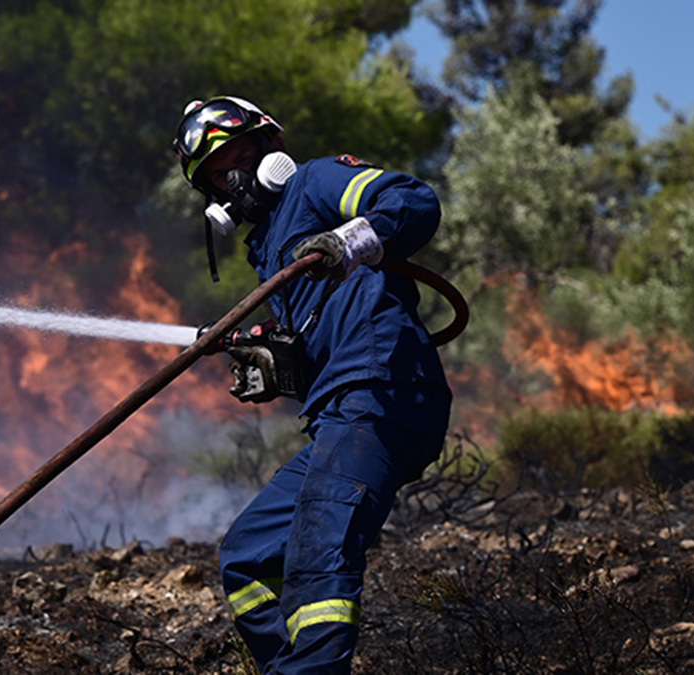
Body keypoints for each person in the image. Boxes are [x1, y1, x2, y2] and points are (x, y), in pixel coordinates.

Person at [172, 96, 452, 673]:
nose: (231, 181)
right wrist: (260, 349)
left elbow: (414, 200)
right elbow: (314, 332)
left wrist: (351, 240)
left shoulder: (316, 183)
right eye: (215, 177)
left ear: (269, 146)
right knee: (248, 557)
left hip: (382, 389)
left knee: (319, 548)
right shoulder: (268, 248)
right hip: (339, 412)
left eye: (237, 156)